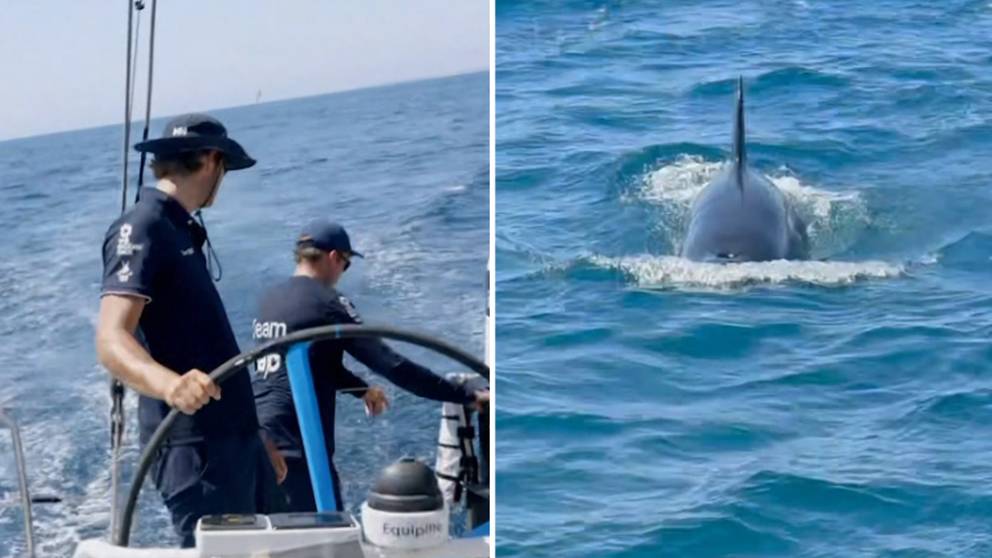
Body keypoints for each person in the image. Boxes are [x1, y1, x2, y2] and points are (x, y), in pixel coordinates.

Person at [95, 114, 283, 547]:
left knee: (276, 549)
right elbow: (111, 339)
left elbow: (202, 340)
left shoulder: (179, 227)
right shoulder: (142, 226)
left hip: (236, 441)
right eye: (225, 169)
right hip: (196, 450)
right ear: (213, 161)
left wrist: (252, 433)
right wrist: (171, 385)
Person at [251, 220, 489, 512]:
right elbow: (392, 365)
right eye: (346, 264)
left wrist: (361, 389)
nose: (342, 273)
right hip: (298, 451)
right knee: (326, 531)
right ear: (334, 257)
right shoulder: (328, 302)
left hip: (259, 440)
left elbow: (305, 364)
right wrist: (464, 395)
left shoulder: (270, 300)